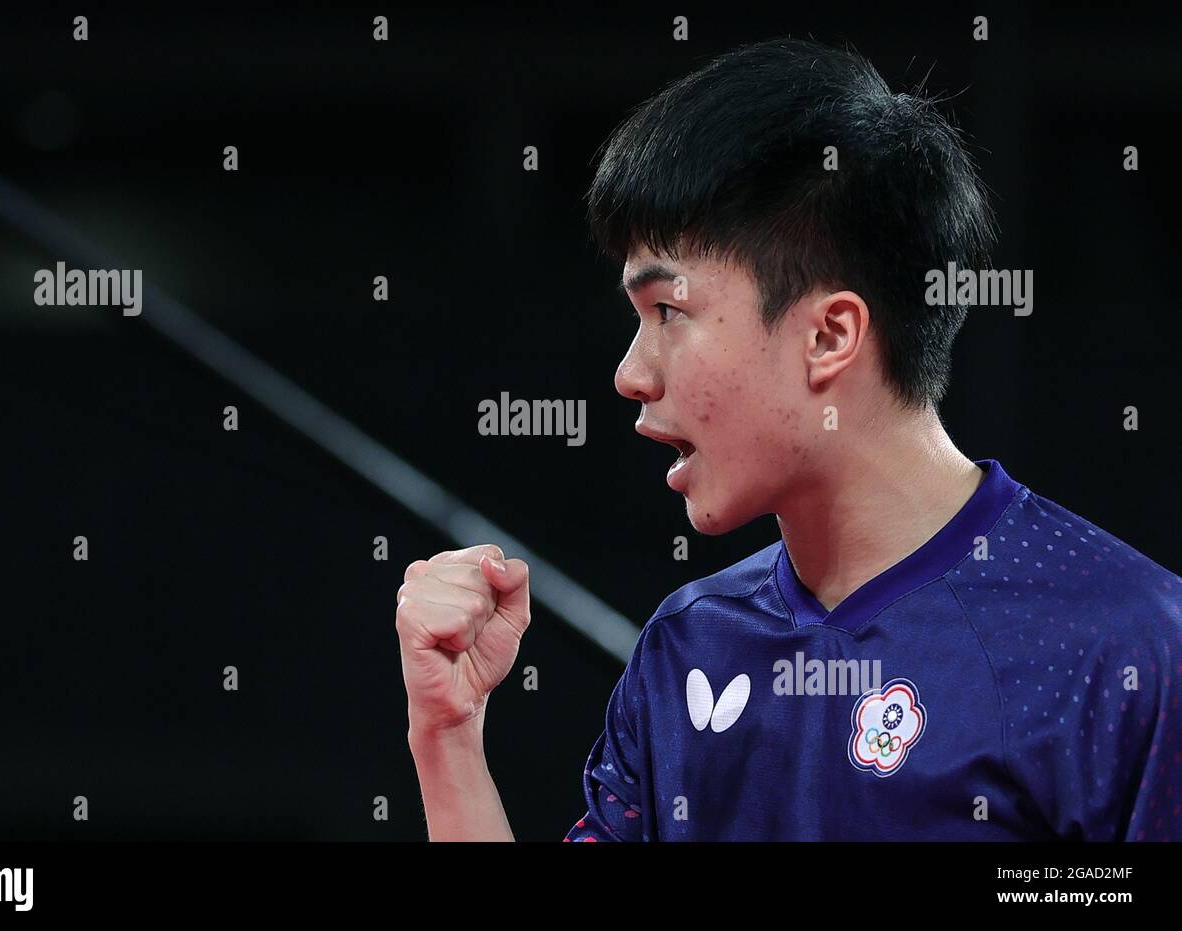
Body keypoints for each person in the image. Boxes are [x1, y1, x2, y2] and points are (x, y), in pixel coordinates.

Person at [394, 38, 1181, 841]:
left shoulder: (1131, 652)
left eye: (668, 312)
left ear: (830, 334)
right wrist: (448, 733)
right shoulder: (688, 645)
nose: (630, 373)